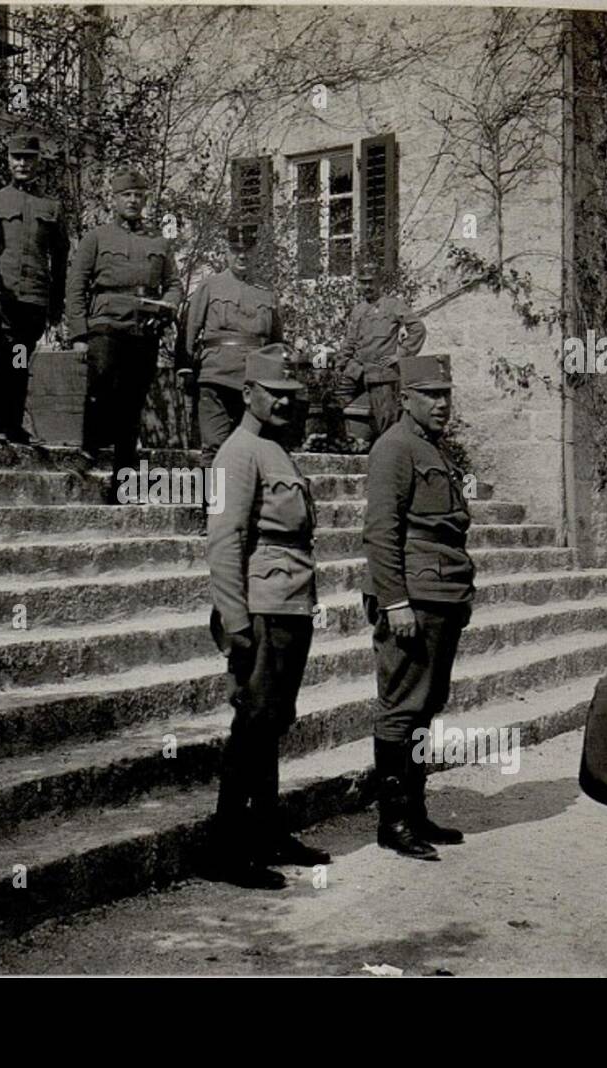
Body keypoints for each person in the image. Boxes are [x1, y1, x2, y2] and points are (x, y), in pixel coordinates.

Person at [203, 343, 331, 889]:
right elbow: (224, 540)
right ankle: (227, 851)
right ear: (247, 393)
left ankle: (267, 832)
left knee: (272, 722)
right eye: (273, 392)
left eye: (289, 394)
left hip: (290, 602)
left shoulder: (277, 449)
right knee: (252, 725)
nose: (283, 401)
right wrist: (235, 622)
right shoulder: (237, 453)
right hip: (259, 608)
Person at [362, 353, 475, 861]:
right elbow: (381, 532)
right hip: (415, 596)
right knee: (401, 708)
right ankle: (393, 821)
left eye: (446, 394)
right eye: (431, 394)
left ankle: (416, 810)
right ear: (405, 398)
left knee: (426, 708)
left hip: (444, 592)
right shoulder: (394, 449)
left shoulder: (432, 448)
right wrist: (395, 601)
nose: (442, 404)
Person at [65, 167, 183, 501]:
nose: (133, 200)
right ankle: (88, 449)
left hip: (143, 330)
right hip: (106, 323)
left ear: (145, 198)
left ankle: (123, 472)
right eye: (126, 195)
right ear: (114, 199)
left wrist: (168, 305)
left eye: (138, 195)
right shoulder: (97, 237)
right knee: (101, 383)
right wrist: (78, 333)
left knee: (133, 400)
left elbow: (174, 285)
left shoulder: (158, 241)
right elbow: (76, 285)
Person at [0, 134, 69, 445]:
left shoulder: (51, 206)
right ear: (8, 161)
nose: (22, 163)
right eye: (17, 158)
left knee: (21, 357)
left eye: (28, 158)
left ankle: (14, 425)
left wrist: (56, 301)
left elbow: (60, 256)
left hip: (33, 296)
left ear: (38, 161)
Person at [179, 227, 283, 469]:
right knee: (214, 447)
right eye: (236, 251)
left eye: (248, 250)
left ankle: (243, 504)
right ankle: (210, 506)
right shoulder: (210, 286)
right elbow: (189, 330)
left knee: (254, 449)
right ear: (226, 253)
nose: (242, 256)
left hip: (256, 381)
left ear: (256, 252)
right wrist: (185, 369)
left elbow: (277, 342)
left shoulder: (267, 293)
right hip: (217, 377)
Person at [332, 264, 426, 439]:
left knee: (386, 419)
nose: (367, 287)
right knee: (334, 403)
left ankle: (385, 449)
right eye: (363, 282)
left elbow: (418, 328)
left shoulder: (392, 305)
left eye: (371, 282)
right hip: (357, 370)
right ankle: (350, 441)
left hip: (381, 372)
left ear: (379, 282)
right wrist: (340, 365)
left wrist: (401, 354)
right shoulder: (358, 309)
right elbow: (350, 341)